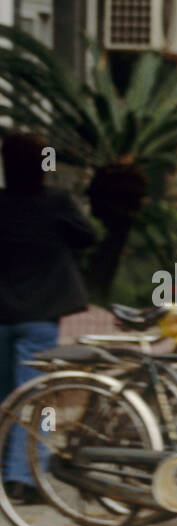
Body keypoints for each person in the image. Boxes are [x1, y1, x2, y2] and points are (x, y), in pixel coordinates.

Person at [0, 132, 97, 504]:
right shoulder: (54, 202)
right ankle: (25, 478)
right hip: (40, 314)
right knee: (36, 398)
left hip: (2, 314)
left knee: (7, 395)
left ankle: (9, 471)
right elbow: (87, 236)